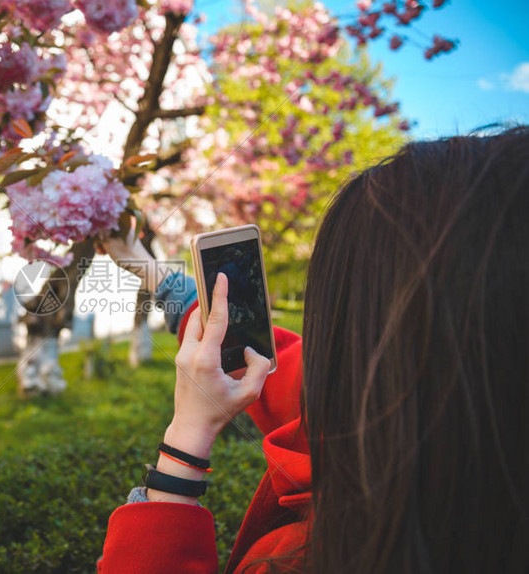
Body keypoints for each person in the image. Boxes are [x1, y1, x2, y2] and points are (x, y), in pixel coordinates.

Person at [96, 126, 529, 573]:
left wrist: (184, 444)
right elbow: (274, 366)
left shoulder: (299, 558)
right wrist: (148, 271)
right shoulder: (448, 420)